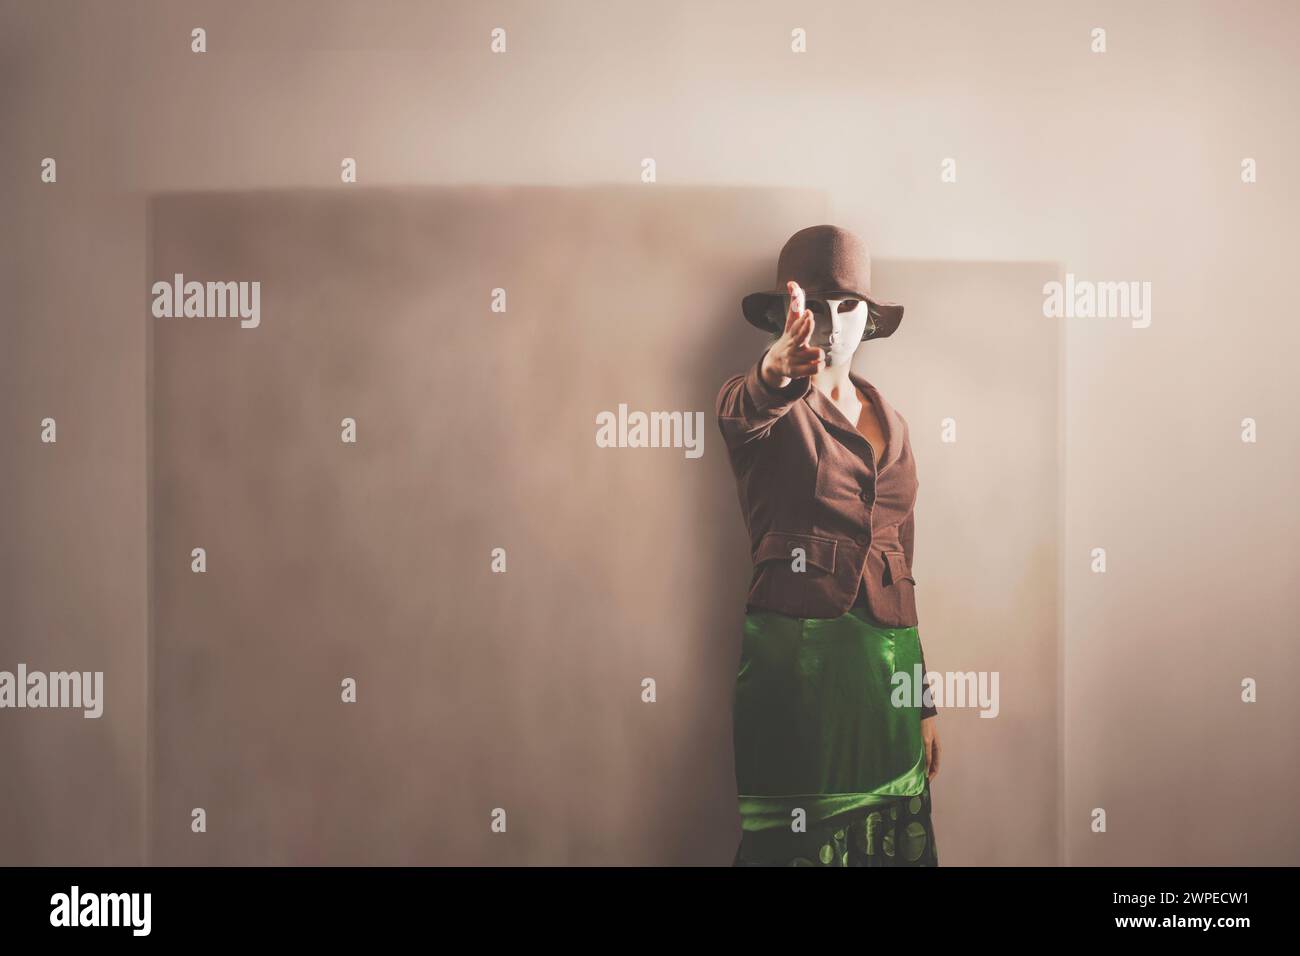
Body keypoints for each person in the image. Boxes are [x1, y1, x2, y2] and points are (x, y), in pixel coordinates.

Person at [717, 224, 941, 866]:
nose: (833, 322)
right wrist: (773, 372)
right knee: (799, 845)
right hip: (801, 674)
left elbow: (904, 564)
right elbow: (739, 411)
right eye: (815, 306)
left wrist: (921, 699)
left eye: (848, 306)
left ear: (868, 317)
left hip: (888, 677)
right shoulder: (772, 406)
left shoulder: (894, 422)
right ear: (791, 316)